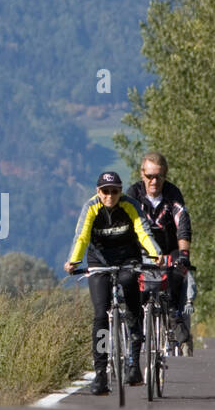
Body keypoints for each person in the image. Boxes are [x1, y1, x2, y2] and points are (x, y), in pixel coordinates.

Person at [65, 171, 162, 393]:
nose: (110, 196)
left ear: (120, 191)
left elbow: (143, 231)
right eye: (105, 191)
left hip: (128, 259)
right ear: (98, 192)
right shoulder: (91, 207)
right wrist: (73, 260)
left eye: (115, 191)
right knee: (100, 314)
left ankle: (133, 364)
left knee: (131, 304)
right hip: (99, 261)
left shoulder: (130, 205)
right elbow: (82, 236)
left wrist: (155, 252)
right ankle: (100, 374)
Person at [125, 152, 197, 342]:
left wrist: (184, 254)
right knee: (133, 281)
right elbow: (126, 225)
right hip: (140, 249)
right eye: (149, 176)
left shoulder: (173, 193)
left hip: (168, 248)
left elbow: (182, 224)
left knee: (178, 270)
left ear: (165, 175)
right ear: (142, 175)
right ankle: (136, 323)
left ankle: (174, 313)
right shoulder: (133, 194)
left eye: (158, 176)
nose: (154, 181)